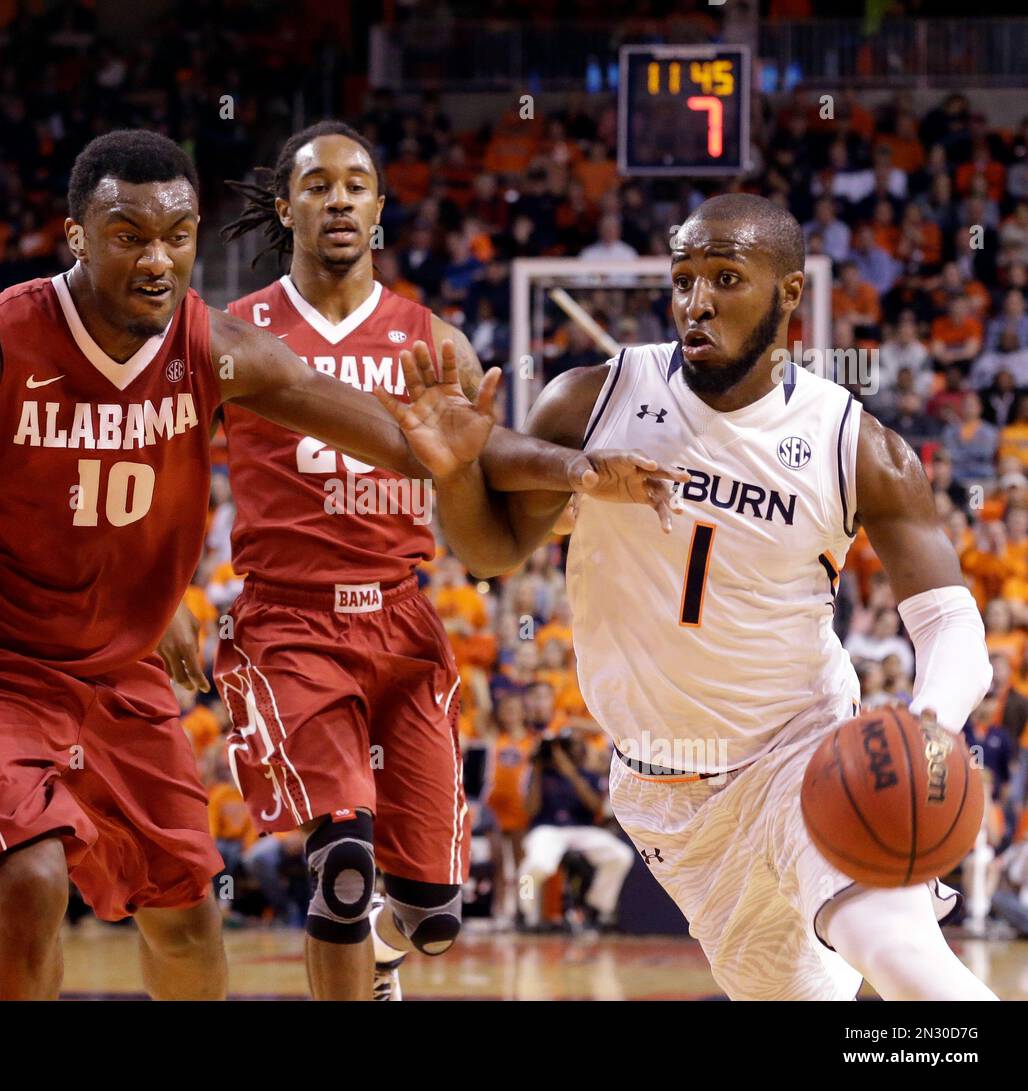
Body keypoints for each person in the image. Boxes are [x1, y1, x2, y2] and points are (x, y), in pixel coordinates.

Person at [0, 129, 664, 1001]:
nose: (157, 259)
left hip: (117, 669)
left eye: (177, 237)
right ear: (74, 236)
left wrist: (533, 462)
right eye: (128, 236)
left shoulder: (217, 350)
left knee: (189, 914)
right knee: (32, 878)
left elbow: (410, 440)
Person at [381, 192, 1000, 1000]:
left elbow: (952, 623)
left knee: (901, 955)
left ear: (788, 294)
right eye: (683, 279)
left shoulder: (857, 446)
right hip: (663, 790)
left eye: (726, 277)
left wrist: (928, 725)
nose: (696, 301)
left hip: (805, 755)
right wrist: (457, 470)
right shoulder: (590, 400)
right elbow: (490, 550)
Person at [158, 121, 677, 1001]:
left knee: (432, 912)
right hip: (289, 619)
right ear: (286, 207)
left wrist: (579, 473)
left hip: (404, 619)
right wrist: (164, 589)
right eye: (317, 185)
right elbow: (162, 460)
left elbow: (480, 481)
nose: (339, 199)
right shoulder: (234, 331)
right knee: (343, 864)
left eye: (357, 184)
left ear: (381, 208)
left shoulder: (431, 339)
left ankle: (385, 958)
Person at [517, 729, 633, 932]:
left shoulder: (588, 775)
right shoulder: (538, 773)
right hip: (547, 829)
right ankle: (525, 912)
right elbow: (530, 809)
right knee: (537, 865)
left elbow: (596, 807)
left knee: (621, 855)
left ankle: (596, 908)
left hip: (582, 830)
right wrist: (536, 767)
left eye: (573, 746)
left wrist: (570, 773)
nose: (569, 751)